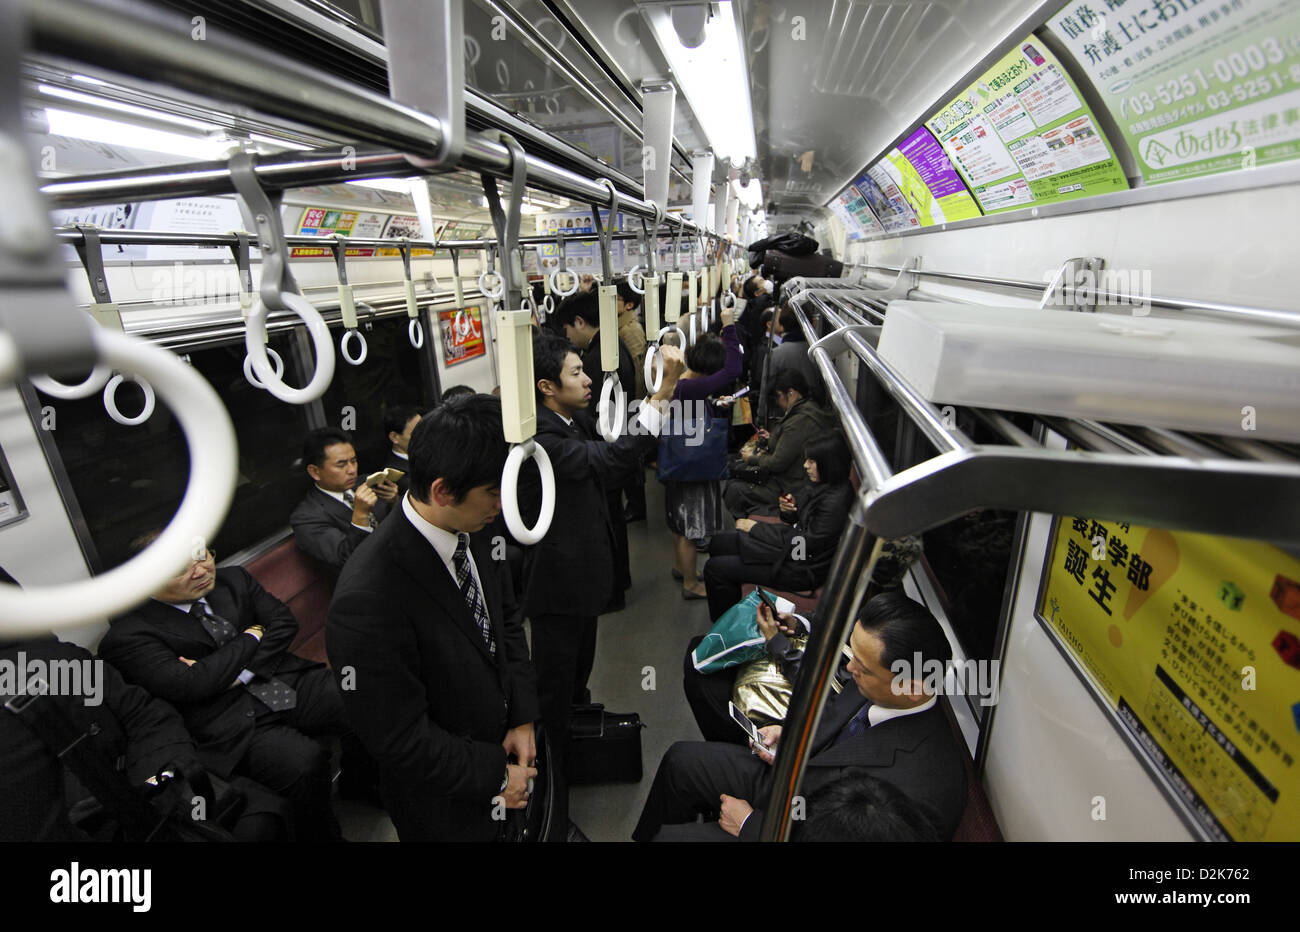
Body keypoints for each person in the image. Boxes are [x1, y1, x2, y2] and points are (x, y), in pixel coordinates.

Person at [326, 394, 540, 842]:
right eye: (492, 492)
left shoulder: (474, 523)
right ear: (443, 490)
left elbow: (503, 621)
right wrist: (496, 777)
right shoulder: (369, 596)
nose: (502, 503)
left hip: (500, 741)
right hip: (444, 799)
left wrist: (521, 715)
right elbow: (400, 739)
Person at [518, 330, 685, 838]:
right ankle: (551, 782)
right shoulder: (544, 439)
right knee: (553, 685)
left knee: (575, 676)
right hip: (558, 588)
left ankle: (573, 741)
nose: (588, 379)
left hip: (582, 580)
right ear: (547, 386)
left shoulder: (573, 419)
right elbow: (610, 461)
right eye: (576, 373)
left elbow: (615, 449)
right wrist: (661, 396)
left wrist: (657, 398)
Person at [632, 591, 968, 842]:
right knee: (680, 760)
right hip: (789, 777)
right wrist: (790, 733)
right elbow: (831, 712)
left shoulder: (923, 787)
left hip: (795, 825)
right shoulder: (880, 683)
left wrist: (751, 826)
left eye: (860, 668)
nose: (849, 669)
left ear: (910, 686)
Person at [97, 536, 361, 841]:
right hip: (227, 718)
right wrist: (251, 635)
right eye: (180, 569)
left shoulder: (233, 580)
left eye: (202, 556)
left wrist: (238, 671)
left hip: (279, 679)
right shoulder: (129, 636)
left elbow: (284, 623)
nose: (201, 571)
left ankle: (359, 783)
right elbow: (191, 685)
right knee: (304, 762)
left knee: (358, 697)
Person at [703, 432, 854, 620]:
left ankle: (724, 630)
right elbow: (800, 521)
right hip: (794, 551)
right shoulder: (822, 485)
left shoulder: (835, 503)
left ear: (829, 463)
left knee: (715, 569)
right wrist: (789, 511)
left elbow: (805, 544)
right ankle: (732, 606)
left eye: (812, 461)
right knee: (718, 543)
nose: (805, 465)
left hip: (801, 567)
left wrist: (756, 528)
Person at [552, 288, 639, 601]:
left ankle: (612, 589)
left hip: (607, 446)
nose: (583, 379)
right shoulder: (613, 344)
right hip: (613, 442)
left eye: (567, 330)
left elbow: (600, 411)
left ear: (578, 322)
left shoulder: (598, 356)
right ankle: (619, 582)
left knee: (608, 526)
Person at [664, 309, 743, 600]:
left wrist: (711, 402)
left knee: (677, 520)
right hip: (694, 466)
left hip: (678, 461)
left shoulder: (684, 383)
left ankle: (679, 567)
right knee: (691, 525)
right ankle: (690, 583)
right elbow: (734, 369)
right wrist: (729, 325)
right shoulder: (692, 387)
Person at [724, 368, 836, 518]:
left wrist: (751, 458)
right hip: (792, 479)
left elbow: (778, 462)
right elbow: (791, 443)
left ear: (791, 393)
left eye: (778, 397)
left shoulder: (799, 421)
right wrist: (771, 439)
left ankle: (740, 527)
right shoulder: (808, 409)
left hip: (790, 485)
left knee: (734, 488)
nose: (778, 402)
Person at [290, 427, 397, 576]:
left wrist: (393, 502)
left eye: (353, 461)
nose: (351, 470)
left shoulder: (366, 482)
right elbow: (346, 558)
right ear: (315, 471)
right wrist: (360, 515)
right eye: (341, 465)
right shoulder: (307, 517)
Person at [616, 280, 650, 523]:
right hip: (624, 403)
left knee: (631, 459)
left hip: (631, 404)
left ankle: (637, 506)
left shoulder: (630, 330)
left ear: (628, 304)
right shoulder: (618, 326)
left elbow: (639, 372)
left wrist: (635, 410)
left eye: (615, 299)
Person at [766, 305, 822, 402]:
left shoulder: (775, 354)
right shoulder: (819, 353)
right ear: (812, 323)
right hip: (814, 411)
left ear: (782, 325)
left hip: (787, 413)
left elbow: (766, 391)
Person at [382, 404, 422, 499]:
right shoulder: (394, 475)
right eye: (415, 434)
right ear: (394, 437)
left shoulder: (433, 454)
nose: (424, 436)